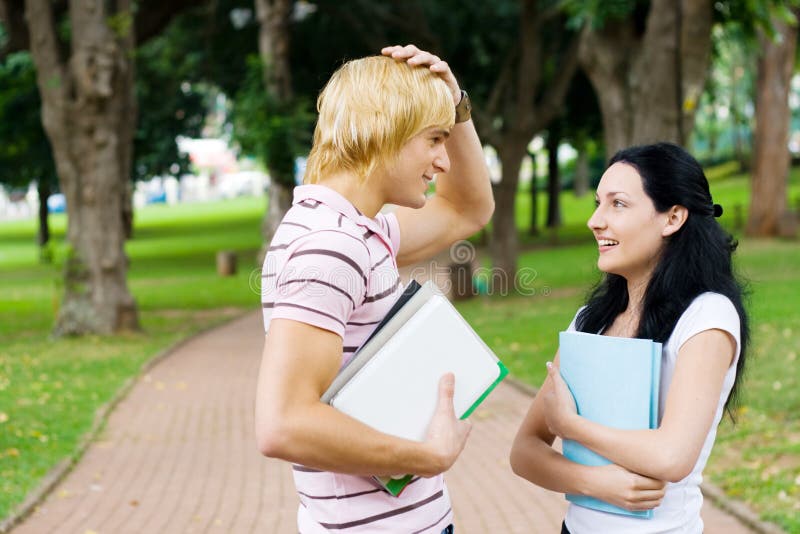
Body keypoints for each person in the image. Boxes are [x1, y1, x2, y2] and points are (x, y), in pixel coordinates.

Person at [254, 44, 493, 533]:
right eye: (434, 139)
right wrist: (427, 456)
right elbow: (284, 423)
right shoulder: (330, 247)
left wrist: (457, 103)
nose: (443, 161)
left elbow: (468, 209)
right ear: (386, 129)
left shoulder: (362, 233)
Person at [509, 142, 749, 534]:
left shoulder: (706, 316)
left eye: (617, 204)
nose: (595, 220)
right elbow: (524, 452)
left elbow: (672, 456)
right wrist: (597, 483)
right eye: (597, 202)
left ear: (672, 217)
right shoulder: (590, 321)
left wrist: (572, 426)